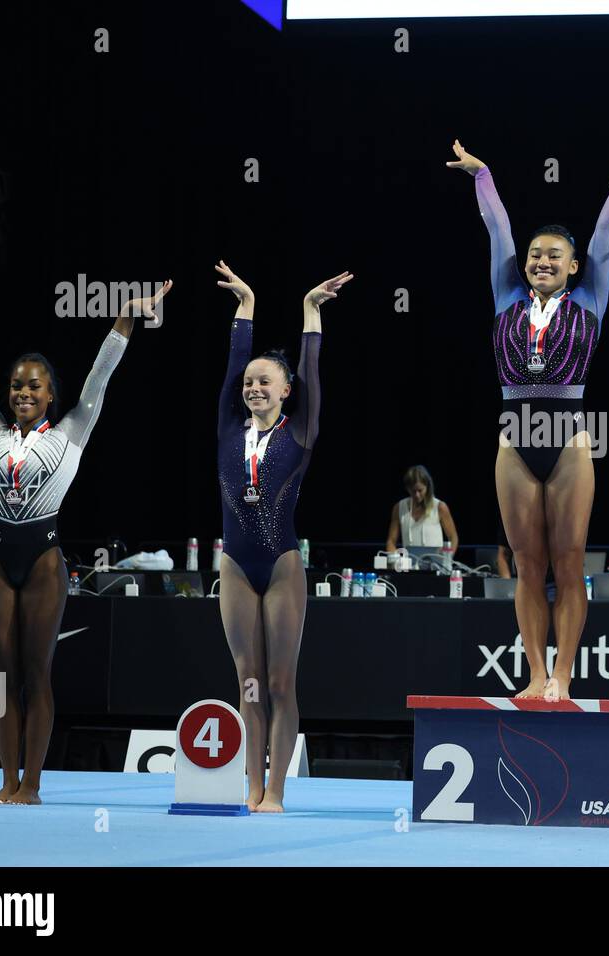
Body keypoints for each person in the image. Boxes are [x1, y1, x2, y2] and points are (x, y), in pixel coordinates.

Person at [0, 267, 167, 804]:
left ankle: (32, 784)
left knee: (37, 672)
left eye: (34, 385)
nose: (22, 392)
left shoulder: (74, 429)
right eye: (16, 385)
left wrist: (127, 317)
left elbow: (101, 375)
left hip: (45, 557)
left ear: (51, 394)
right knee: (4, 678)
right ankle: (6, 782)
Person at [447, 137, 609, 700]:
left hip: (570, 433)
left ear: (574, 268)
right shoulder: (506, 298)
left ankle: (564, 675)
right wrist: (484, 177)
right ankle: (533, 673)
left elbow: (605, 238)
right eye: (534, 255)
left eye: (554, 256)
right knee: (528, 565)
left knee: (568, 563)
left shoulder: (590, 299)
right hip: (515, 436)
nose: (541, 261)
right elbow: (497, 230)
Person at [214, 260, 352, 812]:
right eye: (248, 381)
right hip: (235, 566)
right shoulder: (227, 427)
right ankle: (250, 786)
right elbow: (230, 368)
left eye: (263, 380)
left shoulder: (301, 431)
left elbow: (314, 375)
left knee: (278, 683)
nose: (251, 387)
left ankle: (277, 789)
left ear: (285, 391)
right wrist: (243, 307)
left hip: (282, 564)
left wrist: (310, 311)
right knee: (246, 683)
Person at [384, 465, 459, 553]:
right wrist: (394, 558)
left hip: (435, 565)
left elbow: (453, 537)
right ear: (407, 488)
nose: (417, 495)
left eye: (420, 490)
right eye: (413, 491)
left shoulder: (440, 507)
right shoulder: (399, 508)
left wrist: (447, 558)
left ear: (427, 487)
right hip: (409, 565)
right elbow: (391, 541)